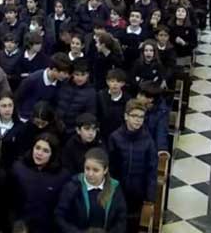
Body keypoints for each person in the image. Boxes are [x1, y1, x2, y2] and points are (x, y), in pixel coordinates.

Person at [107, 99, 158, 232]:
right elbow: (110, 167)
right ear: (126, 116)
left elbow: (152, 170)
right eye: (134, 116)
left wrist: (150, 196)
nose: (138, 120)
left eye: (141, 117)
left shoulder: (148, 141)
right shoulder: (115, 137)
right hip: (118, 190)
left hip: (138, 191)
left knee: (133, 225)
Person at [56, 147, 127, 233]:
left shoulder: (114, 188)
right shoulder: (73, 186)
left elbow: (121, 219)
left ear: (105, 170)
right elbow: (60, 216)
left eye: (95, 170)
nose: (90, 174)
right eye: (87, 168)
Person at [11, 132, 70, 233]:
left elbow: (61, 209)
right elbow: (10, 202)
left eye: (45, 151)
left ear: (53, 154)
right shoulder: (18, 168)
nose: (39, 153)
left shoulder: (62, 176)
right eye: (37, 148)